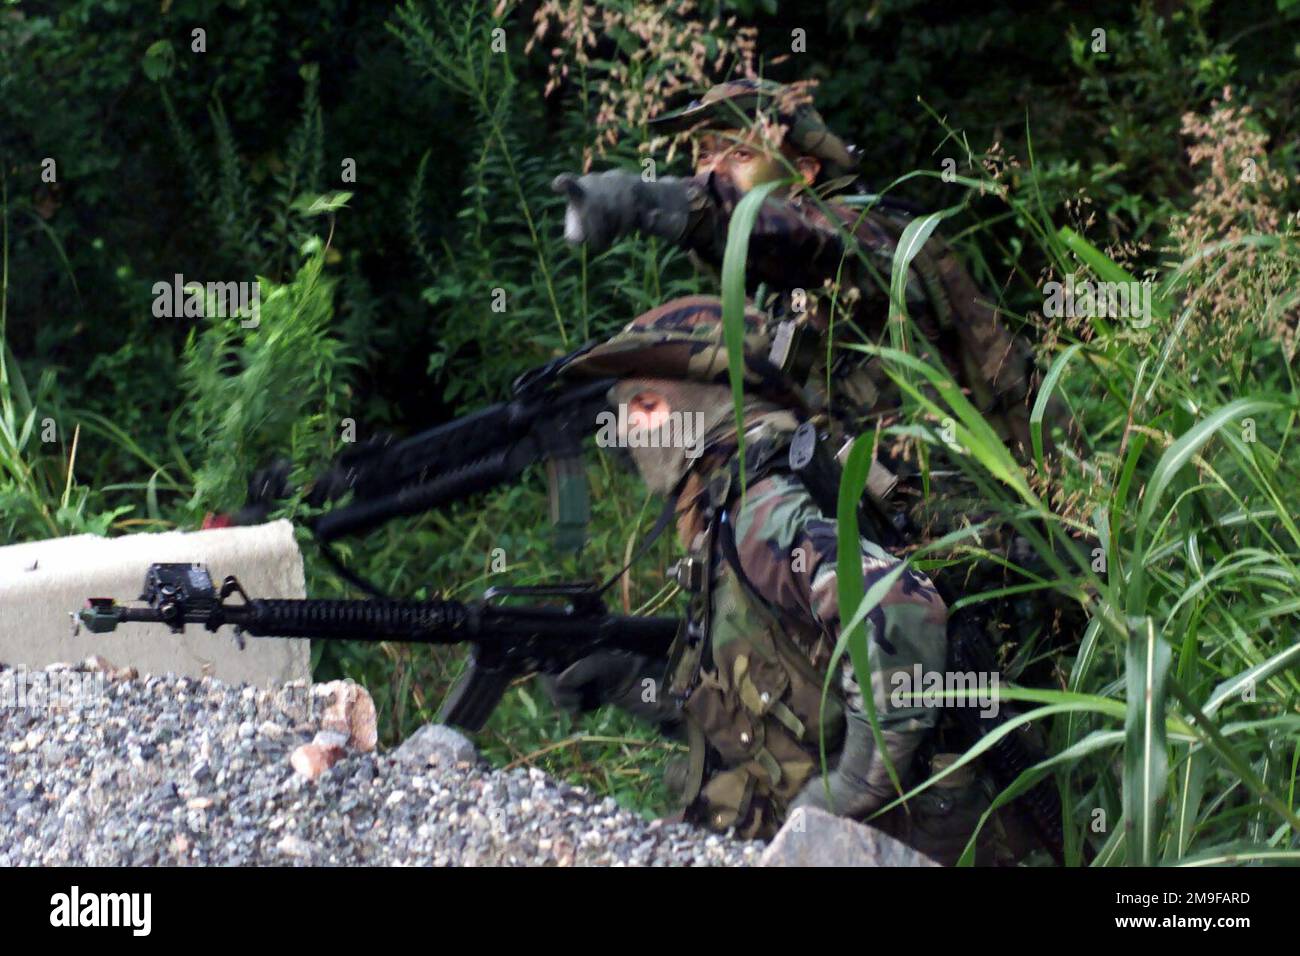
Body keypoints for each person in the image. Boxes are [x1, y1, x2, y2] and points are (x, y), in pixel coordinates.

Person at [549, 295, 1017, 863]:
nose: (626, 433)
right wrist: (632, 683)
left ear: (698, 405)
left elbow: (900, 608)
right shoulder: (729, 505)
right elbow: (768, 709)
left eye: (643, 407)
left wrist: (850, 789)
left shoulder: (759, 509)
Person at [551, 78, 1042, 474]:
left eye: (740, 155)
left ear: (804, 170)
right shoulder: (774, 279)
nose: (711, 174)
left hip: (957, 505)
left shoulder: (862, 232)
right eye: (704, 155)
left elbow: (791, 237)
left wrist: (645, 202)